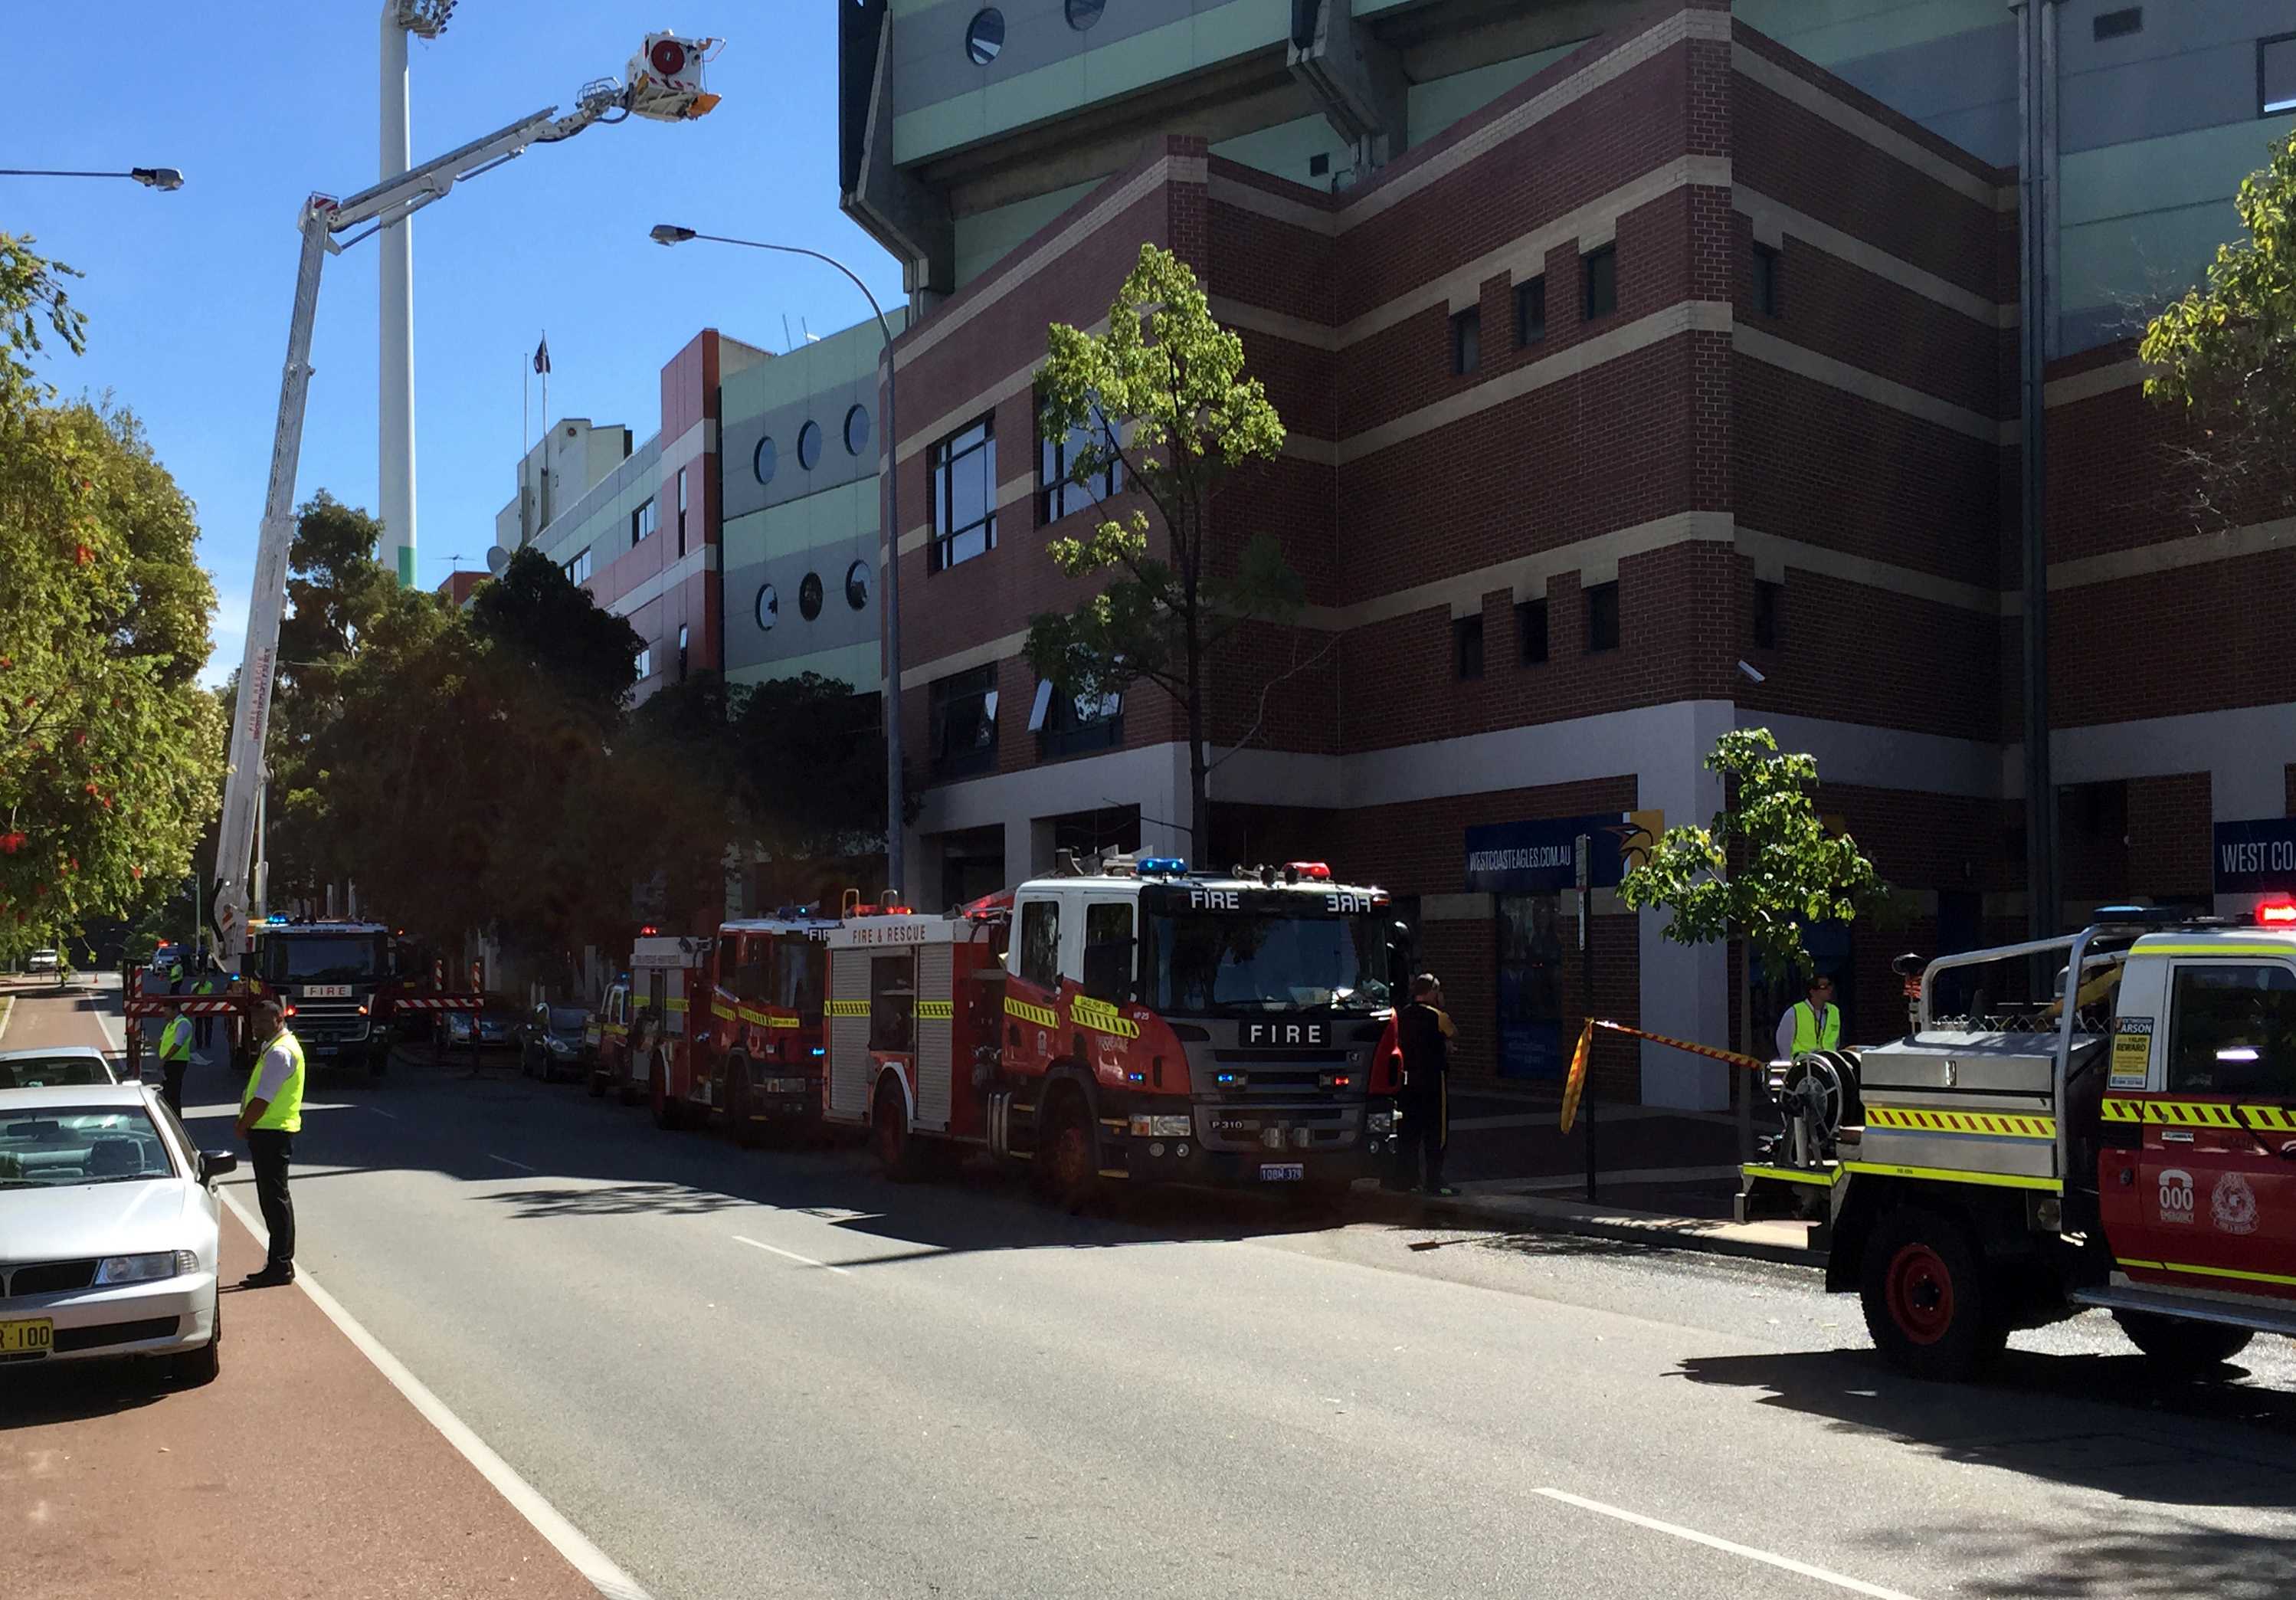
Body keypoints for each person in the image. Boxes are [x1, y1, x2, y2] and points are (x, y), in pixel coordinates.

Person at [235, 996, 305, 1287]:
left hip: (271, 1132)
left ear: (279, 1020)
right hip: (272, 1131)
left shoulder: (279, 1053)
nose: (257, 1026)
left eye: (264, 1021)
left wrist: (243, 1124)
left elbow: (264, 1098)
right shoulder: (275, 1047)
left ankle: (280, 1265)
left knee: (274, 1200)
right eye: (255, 1020)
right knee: (275, 1199)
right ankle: (279, 1262)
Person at [1389, 973, 1456, 1197]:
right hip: (1434, 1082)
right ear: (1431, 992)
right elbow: (1453, 1034)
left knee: (1409, 1132)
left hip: (1408, 1083)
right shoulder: (1438, 1016)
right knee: (1437, 1133)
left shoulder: (1403, 1015)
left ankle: (1407, 1179)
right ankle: (1434, 1181)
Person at [1776, 972, 1842, 1060]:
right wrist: (1790, 1066)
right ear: (1812, 992)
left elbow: (1836, 1043)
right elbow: (1783, 1043)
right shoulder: (1794, 1012)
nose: (1829, 989)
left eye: (1830, 985)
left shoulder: (1834, 1011)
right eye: (1824, 987)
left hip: (1828, 1065)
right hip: (1803, 1066)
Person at [156, 1008, 195, 1116]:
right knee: (167, 1092)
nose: (164, 1013)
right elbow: (161, 1041)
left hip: (176, 1062)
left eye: (166, 1010)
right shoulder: (171, 1025)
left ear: (175, 1010)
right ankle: (171, 1117)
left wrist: (164, 1060)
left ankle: (176, 1119)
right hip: (170, 1062)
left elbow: (178, 1044)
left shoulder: (182, 1024)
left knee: (173, 1094)